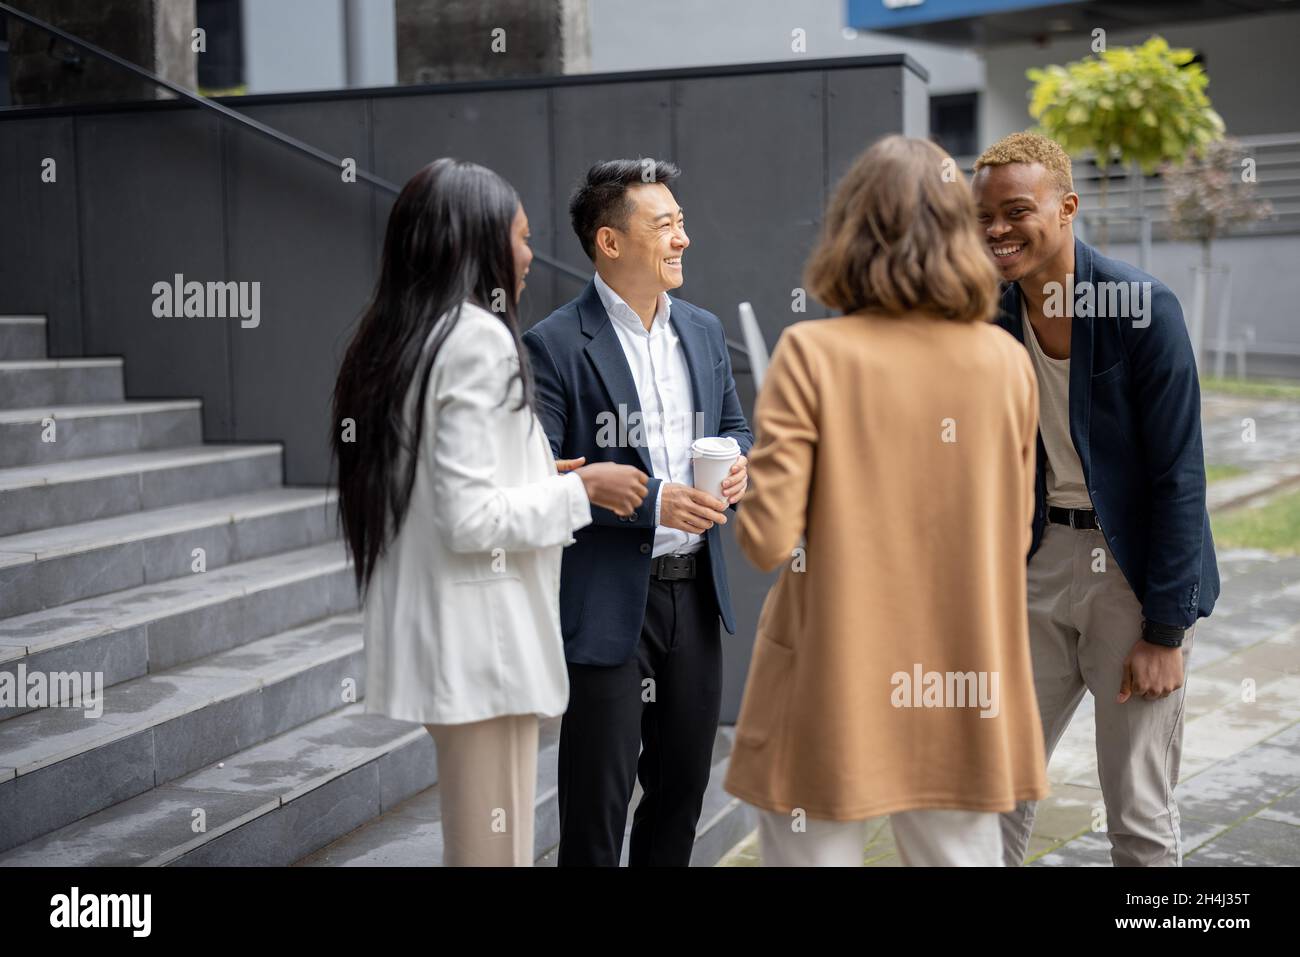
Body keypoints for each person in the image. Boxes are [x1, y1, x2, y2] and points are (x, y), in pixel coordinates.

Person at [722, 134, 1049, 867]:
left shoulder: (812, 356)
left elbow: (767, 540)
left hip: (829, 685)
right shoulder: (1005, 362)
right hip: (963, 683)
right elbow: (1016, 528)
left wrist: (764, 466)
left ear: (851, 231)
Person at [330, 158, 648, 866]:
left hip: (462, 644)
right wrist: (584, 490)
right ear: (472, 242)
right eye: (522, 237)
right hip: (483, 646)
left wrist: (541, 469)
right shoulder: (476, 340)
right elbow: (469, 518)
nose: (532, 255)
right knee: (491, 853)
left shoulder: (408, 336)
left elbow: (443, 484)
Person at [971, 131, 1219, 867]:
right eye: (984, 215)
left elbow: (1181, 474)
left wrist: (1166, 631)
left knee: (1138, 814)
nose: (996, 231)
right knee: (991, 791)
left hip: (1132, 575)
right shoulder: (988, 313)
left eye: (1017, 211)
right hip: (1036, 564)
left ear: (1068, 207)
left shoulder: (1143, 308)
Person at [522, 159, 753, 866]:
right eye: (664, 225)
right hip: (606, 603)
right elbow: (543, 476)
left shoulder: (706, 331)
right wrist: (653, 499)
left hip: (696, 595)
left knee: (682, 792)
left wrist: (738, 463)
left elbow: (735, 425)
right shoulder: (555, 343)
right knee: (597, 804)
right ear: (610, 242)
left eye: (681, 223)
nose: (682, 238)